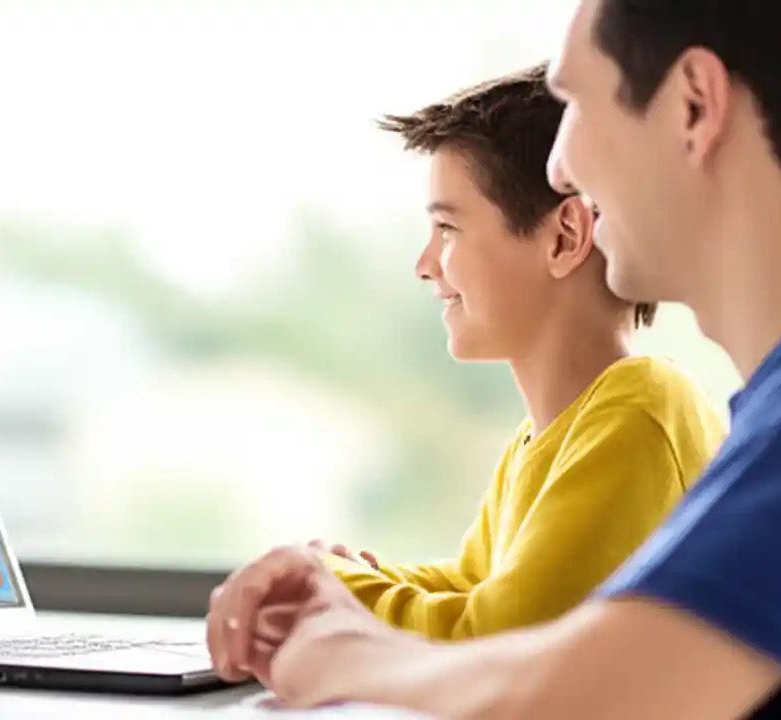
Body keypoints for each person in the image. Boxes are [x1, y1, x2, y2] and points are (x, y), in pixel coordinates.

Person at [206, 0, 781, 717]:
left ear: (693, 106)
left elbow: (584, 699)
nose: (562, 169)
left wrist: (343, 650)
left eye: (580, 104)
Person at [310, 63, 725, 641]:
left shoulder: (640, 411)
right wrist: (341, 577)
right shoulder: (548, 437)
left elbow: (503, 633)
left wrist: (336, 591)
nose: (425, 265)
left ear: (565, 237)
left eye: (448, 229)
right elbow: (475, 585)